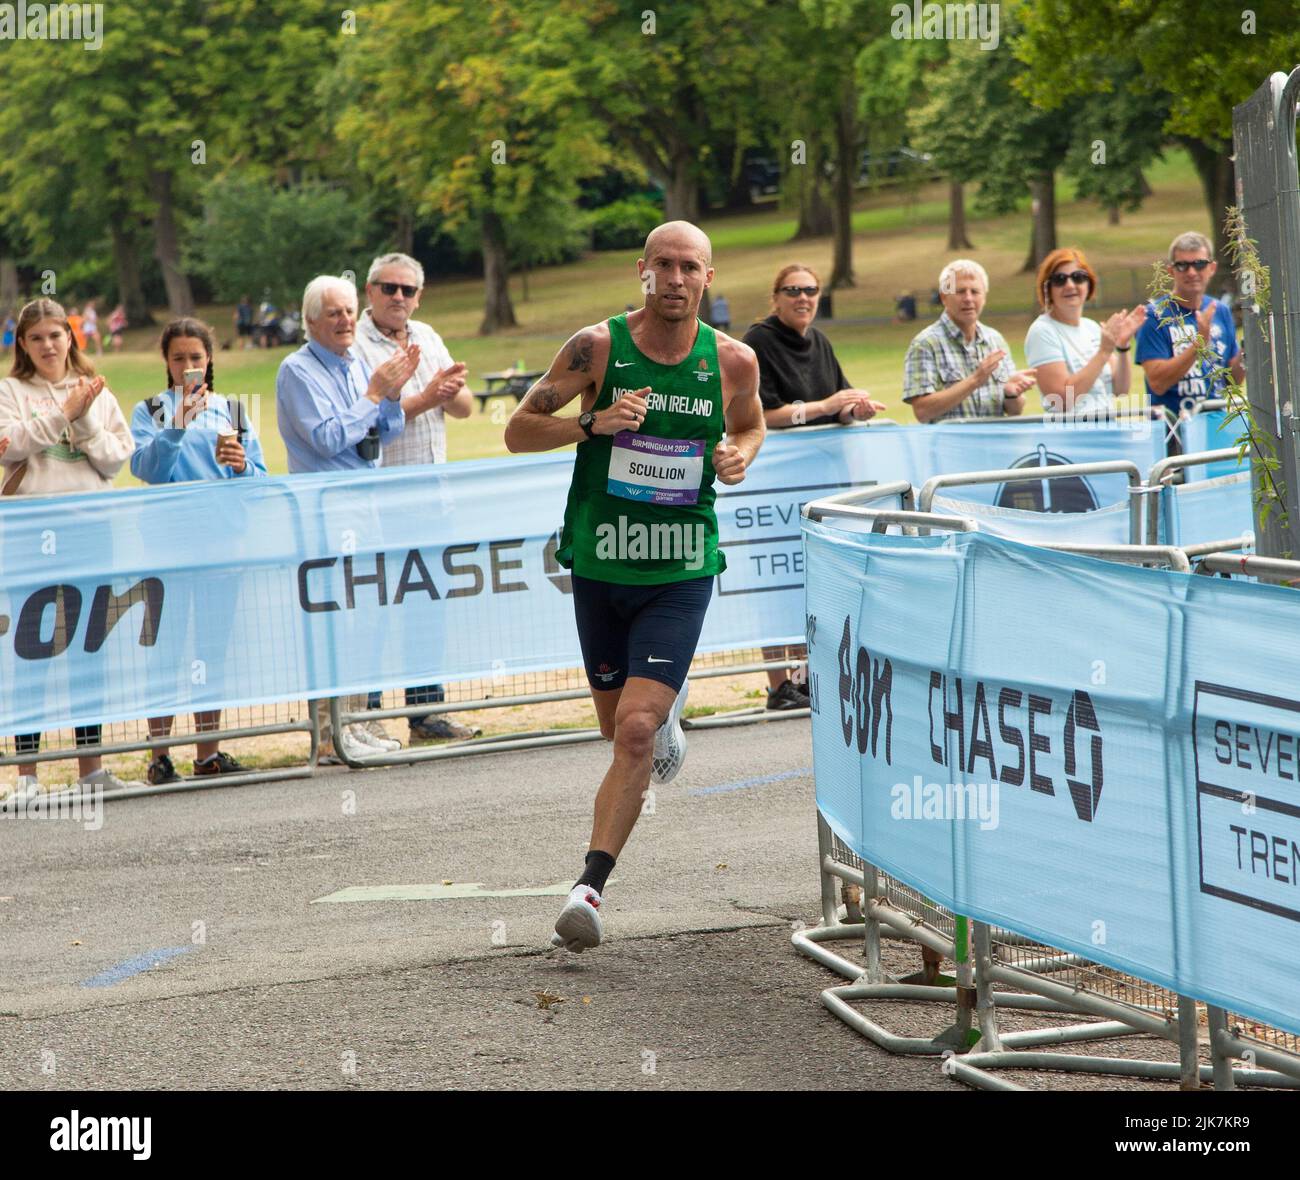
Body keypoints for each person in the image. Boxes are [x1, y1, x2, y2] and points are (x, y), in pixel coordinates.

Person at [504, 220, 765, 954]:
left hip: (681, 568)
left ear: (709, 278)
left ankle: (588, 888)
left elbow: (749, 428)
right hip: (603, 563)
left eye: (691, 267)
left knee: (635, 734)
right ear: (641, 273)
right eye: (664, 266)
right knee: (615, 730)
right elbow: (519, 430)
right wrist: (593, 422)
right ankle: (661, 720)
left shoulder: (734, 362)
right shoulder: (597, 348)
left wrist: (737, 455)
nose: (677, 279)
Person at [276, 275, 419, 763]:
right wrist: (375, 395)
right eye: (334, 312)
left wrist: (393, 394)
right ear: (311, 319)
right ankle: (326, 733)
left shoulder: (360, 363)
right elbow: (327, 438)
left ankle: (357, 722)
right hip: (326, 512)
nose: (345, 321)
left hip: (367, 503)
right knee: (333, 623)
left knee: (367, 619)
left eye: (349, 311)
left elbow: (388, 428)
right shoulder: (295, 372)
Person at [0, 298, 139, 799]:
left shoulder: (95, 391)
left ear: (70, 336)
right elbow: (10, 445)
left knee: (87, 649)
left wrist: (82, 418)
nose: (47, 346)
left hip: (90, 532)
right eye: (35, 338)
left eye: (55, 335)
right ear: (23, 344)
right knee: (33, 649)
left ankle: (90, 769)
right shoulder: (11, 390)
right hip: (33, 534)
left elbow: (112, 461)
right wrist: (62, 413)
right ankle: (28, 774)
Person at [130, 316, 269, 785]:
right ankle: (158, 755)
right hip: (167, 549)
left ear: (209, 360)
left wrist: (243, 465)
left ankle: (208, 752)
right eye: (178, 358)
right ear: (166, 363)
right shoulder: (149, 410)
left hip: (220, 548)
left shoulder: (233, 409)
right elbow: (146, 470)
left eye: (196, 357)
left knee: (212, 648)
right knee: (165, 651)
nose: (188, 367)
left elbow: (260, 481)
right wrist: (175, 428)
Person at [742, 262, 885, 711]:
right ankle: (777, 683)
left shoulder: (819, 341)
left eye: (811, 290)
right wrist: (822, 406)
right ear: (776, 297)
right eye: (793, 290)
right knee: (777, 577)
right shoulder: (757, 342)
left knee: (814, 575)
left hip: (820, 480)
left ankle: (805, 676)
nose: (803, 298)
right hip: (774, 482)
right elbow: (759, 415)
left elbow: (836, 406)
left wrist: (853, 411)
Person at [351, 251, 481, 745]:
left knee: (429, 607)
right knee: (378, 609)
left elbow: (465, 408)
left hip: (433, 498)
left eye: (408, 290)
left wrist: (449, 390)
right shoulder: (356, 343)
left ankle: (426, 713)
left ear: (420, 296)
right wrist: (427, 396)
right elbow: (363, 419)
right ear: (370, 291)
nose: (399, 298)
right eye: (390, 288)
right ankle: (368, 715)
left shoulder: (427, 336)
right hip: (382, 500)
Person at [1135, 231, 1245, 438]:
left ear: (1212, 268)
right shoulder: (1154, 315)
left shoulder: (1219, 310)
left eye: (1200, 264)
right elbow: (1157, 383)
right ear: (1170, 271)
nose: (1192, 272)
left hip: (1215, 426)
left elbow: (1230, 382)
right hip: (1172, 432)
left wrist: (1248, 350)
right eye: (1182, 265)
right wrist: (1198, 344)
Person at [902, 259, 1037, 422]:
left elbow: (1015, 410)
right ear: (944, 297)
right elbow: (923, 411)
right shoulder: (925, 344)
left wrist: (1011, 394)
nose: (968, 298)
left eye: (975, 291)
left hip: (994, 445)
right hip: (950, 447)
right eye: (960, 291)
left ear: (984, 297)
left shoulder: (995, 340)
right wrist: (975, 380)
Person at [1024, 248, 1146, 416]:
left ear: (1089, 284)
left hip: (1107, 432)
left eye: (1078, 277)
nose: (1070, 285)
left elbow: (1121, 390)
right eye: (1059, 279)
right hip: (1071, 438)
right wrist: (1103, 353)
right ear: (1047, 289)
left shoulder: (1091, 328)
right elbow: (1060, 401)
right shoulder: (1042, 332)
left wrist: (1122, 347)